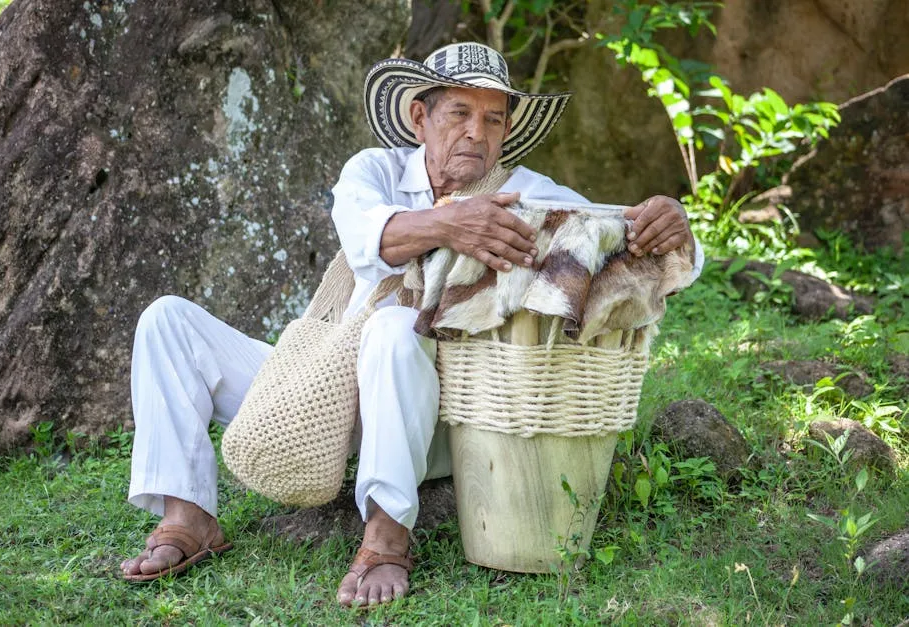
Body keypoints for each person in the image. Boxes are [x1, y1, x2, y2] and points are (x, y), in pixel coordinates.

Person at [119, 42, 703, 606]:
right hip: (326, 389)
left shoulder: (523, 192)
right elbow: (370, 239)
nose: (477, 132)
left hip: (438, 418)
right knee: (168, 321)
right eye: (460, 113)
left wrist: (674, 227)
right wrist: (450, 223)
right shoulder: (373, 170)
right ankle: (188, 516)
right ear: (420, 117)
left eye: (494, 119)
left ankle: (386, 537)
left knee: (399, 327)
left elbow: (615, 234)